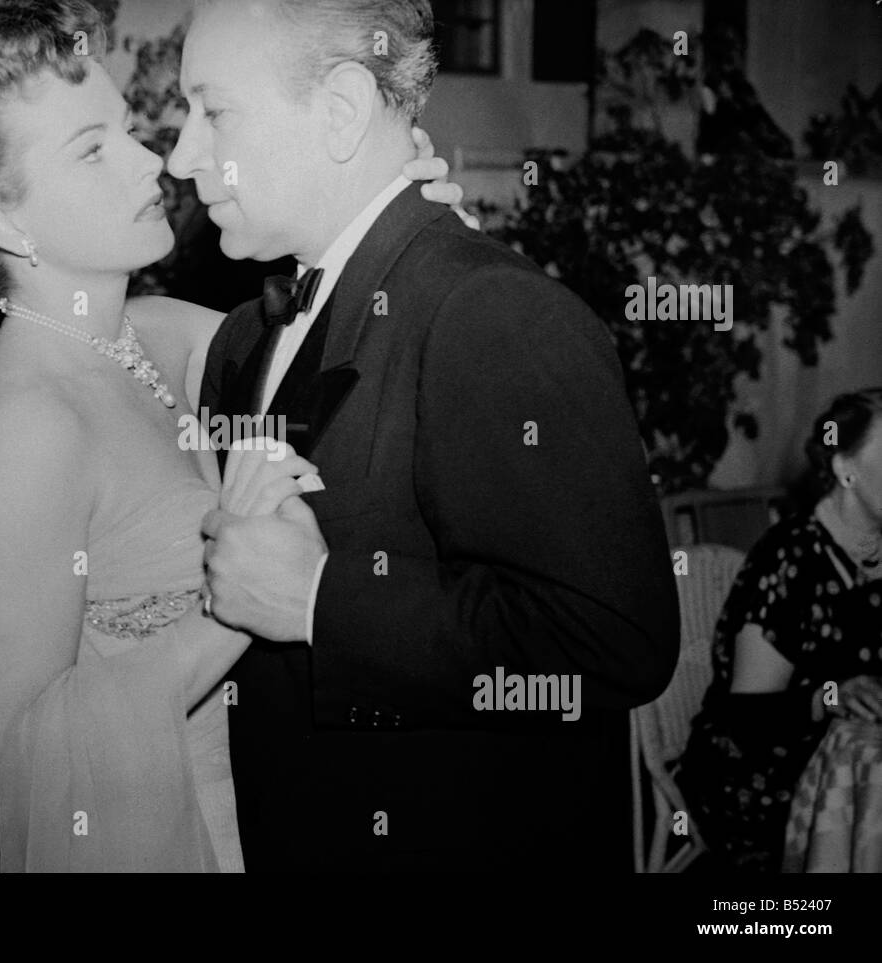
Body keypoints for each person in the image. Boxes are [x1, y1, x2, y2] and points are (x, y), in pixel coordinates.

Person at [0, 0, 464, 871]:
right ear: (4, 223)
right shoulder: (21, 430)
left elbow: (356, 356)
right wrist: (238, 600)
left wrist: (404, 221)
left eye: (126, 129)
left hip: (289, 814)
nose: (151, 160)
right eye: (92, 149)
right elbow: (11, 764)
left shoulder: (164, 333)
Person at [177, 0, 681, 871]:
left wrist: (319, 601)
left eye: (212, 111)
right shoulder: (244, 337)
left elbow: (612, 643)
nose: (182, 156)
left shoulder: (491, 311)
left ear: (339, 109)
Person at [677, 388, 882, 872]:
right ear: (843, 468)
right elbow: (747, 717)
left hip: (852, 762)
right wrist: (832, 695)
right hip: (759, 777)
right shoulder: (791, 560)